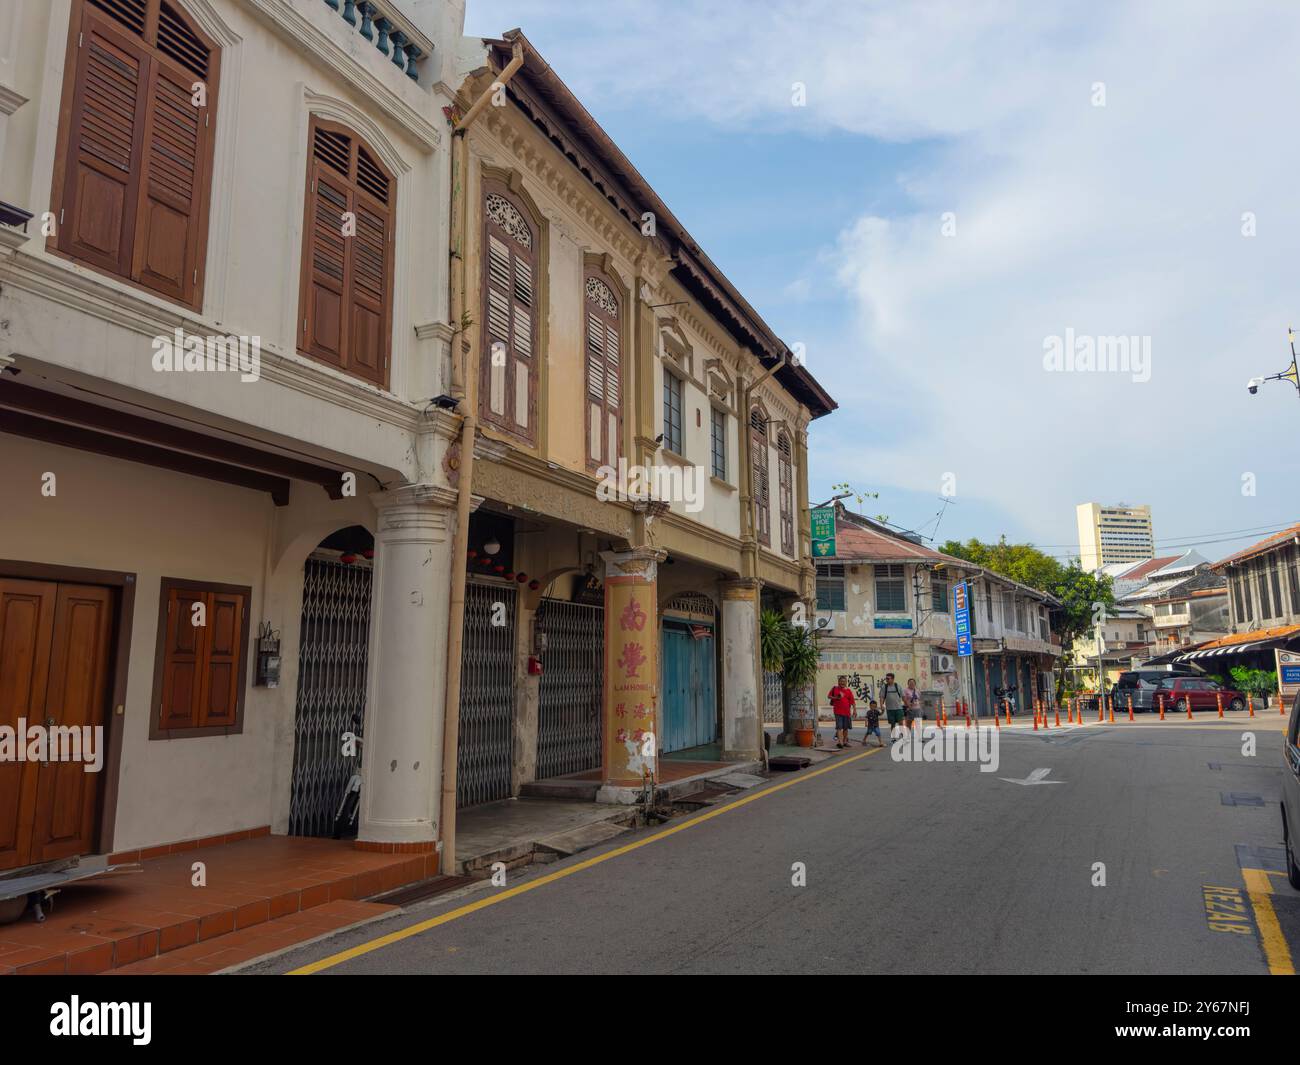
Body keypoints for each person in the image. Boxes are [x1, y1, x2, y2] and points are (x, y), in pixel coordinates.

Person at [827, 675, 857, 749]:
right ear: (838, 682)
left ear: (846, 682)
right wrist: (836, 697)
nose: (842, 683)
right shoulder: (835, 689)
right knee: (839, 727)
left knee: (846, 728)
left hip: (847, 712)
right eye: (841, 681)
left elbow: (853, 701)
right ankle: (840, 742)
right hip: (838, 712)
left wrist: (854, 710)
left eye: (844, 681)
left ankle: (845, 742)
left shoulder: (848, 691)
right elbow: (829, 696)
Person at [881, 672, 906, 741]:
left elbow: (903, 697)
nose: (887, 680)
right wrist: (881, 705)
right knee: (892, 724)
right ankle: (893, 737)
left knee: (901, 723)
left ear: (892, 679)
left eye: (888, 679)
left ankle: (904, 737)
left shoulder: (898, 686)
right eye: (886, 678)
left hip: (898, 708)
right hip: (889, 709)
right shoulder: (884, 687)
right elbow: (882, 697)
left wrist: (907, 705)